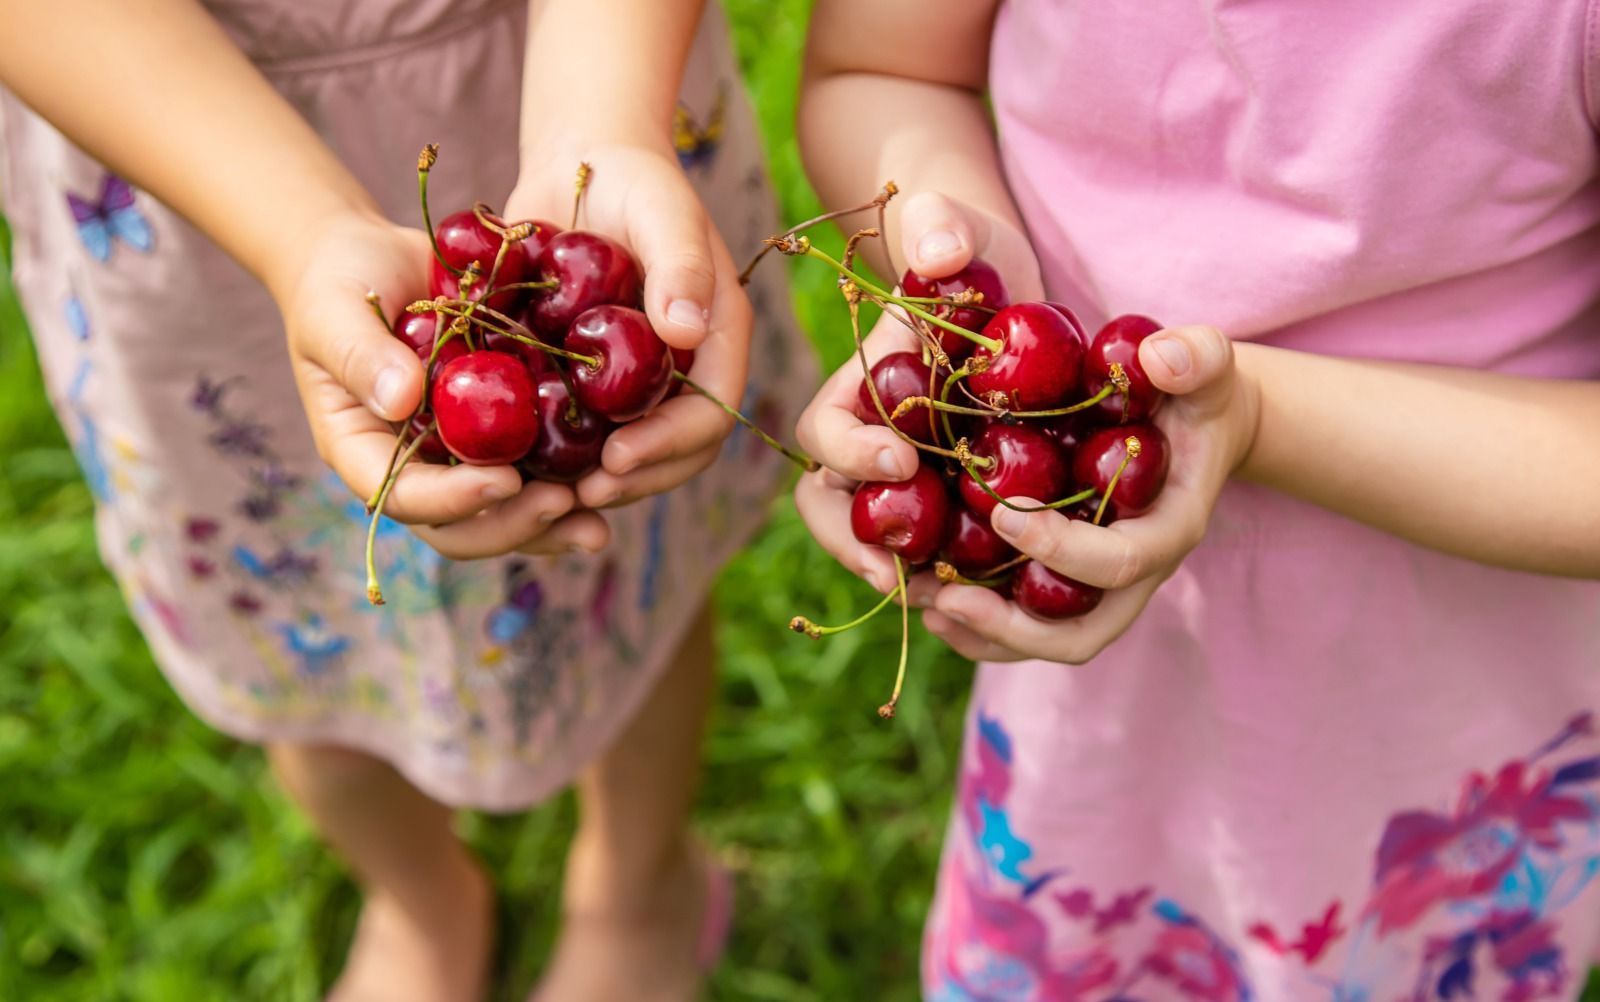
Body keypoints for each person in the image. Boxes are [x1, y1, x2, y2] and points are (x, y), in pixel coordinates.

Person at [0, 1, 815, 999]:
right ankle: (424, 903)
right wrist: (301, 235)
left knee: (635, 588)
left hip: (581, 81)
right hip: (180, 169)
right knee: (315, 639)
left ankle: (636, 887)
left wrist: (600, 126)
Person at [794, 0, 1600, 997]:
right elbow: (880, 69)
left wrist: (1262, 417)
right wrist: (959, 275)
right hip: (1100, 676)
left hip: (1434, 697)